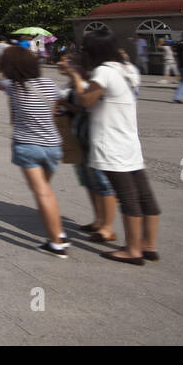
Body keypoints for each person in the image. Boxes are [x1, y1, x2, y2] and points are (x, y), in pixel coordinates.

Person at [65, 33, 161, 265]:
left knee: (127, 196)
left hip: (112, 143)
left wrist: (77, 77)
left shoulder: (104, 72)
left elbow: (86, 100)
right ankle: (149, 245)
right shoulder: (127, 70)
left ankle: (132, 250)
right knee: (144, 194)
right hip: (129, 140)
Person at [0, 45, 69, 257]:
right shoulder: (49, 84)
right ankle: (58, 232)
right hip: (53, 146)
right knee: (46, 191)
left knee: (42, 192)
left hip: (28, 146)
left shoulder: (13, 86)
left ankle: (56, 241)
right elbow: (59, 105)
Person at [55, 52, 117, 244]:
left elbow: (85, 107)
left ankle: (108, 227)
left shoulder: (89, 83)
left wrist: (64, 102)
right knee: (87, 180)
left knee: (101, 180)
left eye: (68, 61)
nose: (61, 63)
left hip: (93, 138)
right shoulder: (70, 84)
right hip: (78, 137)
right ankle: (98, 219)